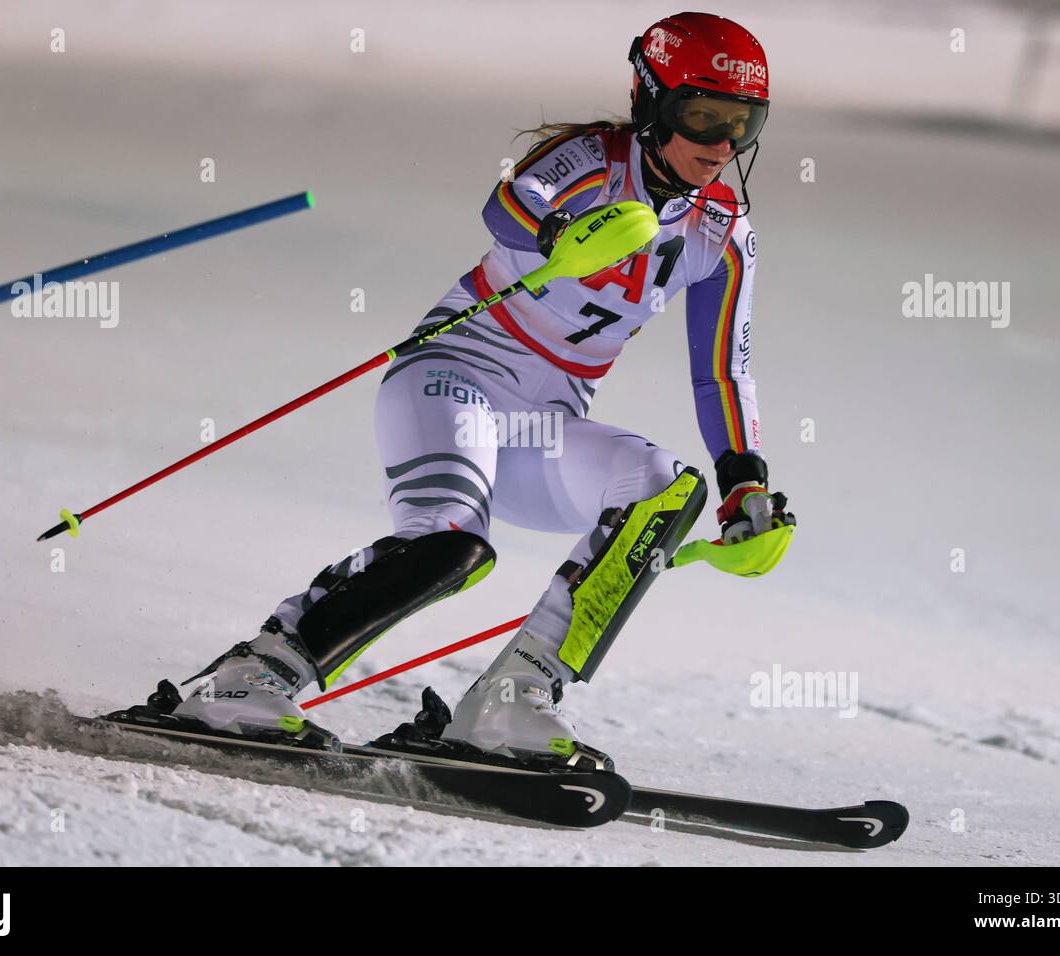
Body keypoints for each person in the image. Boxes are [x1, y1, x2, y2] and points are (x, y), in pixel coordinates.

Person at [165, 12, 795, 762]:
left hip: (536, 429)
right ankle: (250, 676)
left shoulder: (723, 234)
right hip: (451, 380)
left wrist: (744, 485)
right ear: (652, 101)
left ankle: (511, 701)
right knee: (450, 545)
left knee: (664, 488)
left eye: (742, 124)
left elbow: (722, 369)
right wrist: (563, 238)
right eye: (702, 117)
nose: (721, 146)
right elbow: (507, 206)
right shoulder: (593, 158)